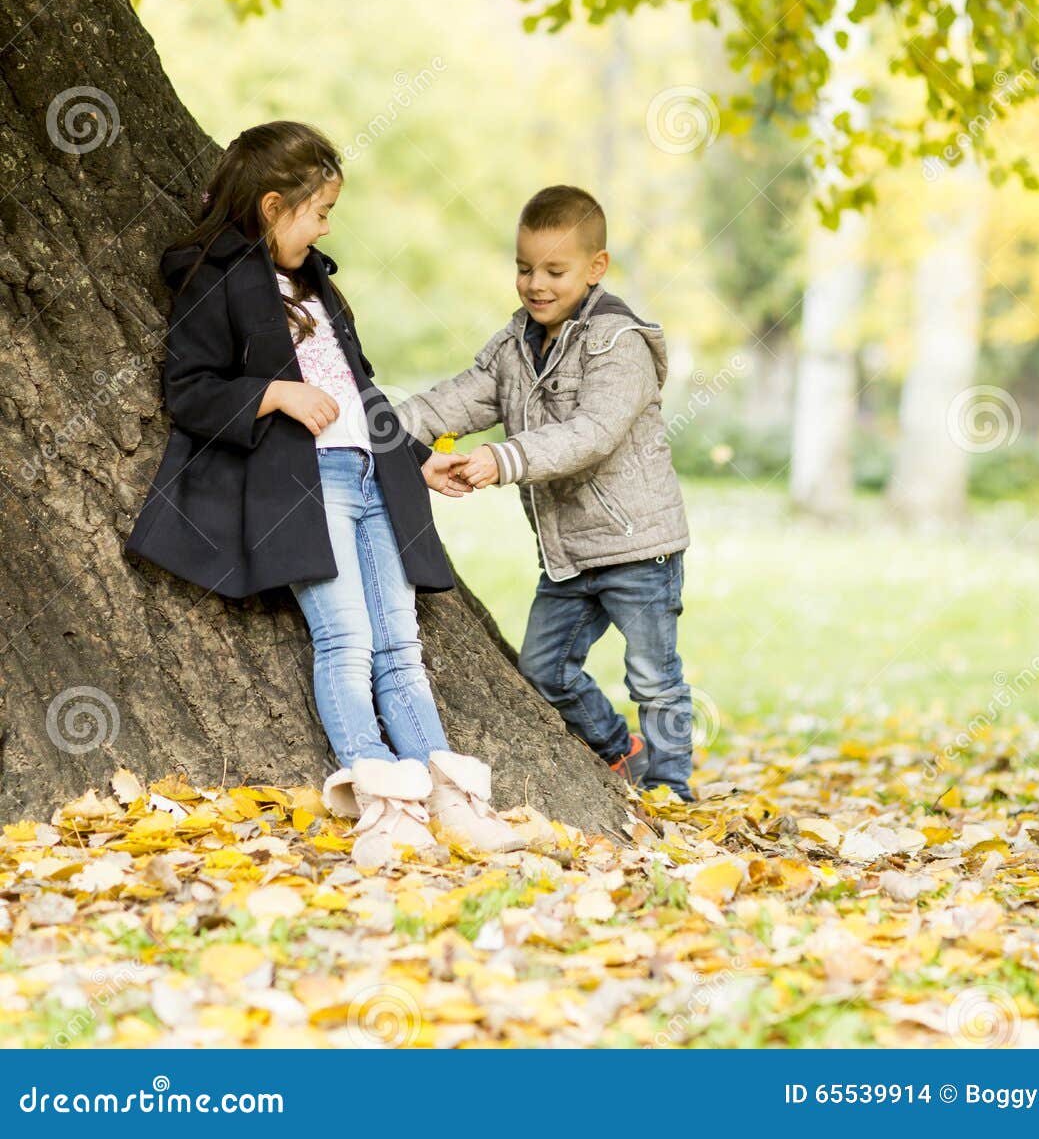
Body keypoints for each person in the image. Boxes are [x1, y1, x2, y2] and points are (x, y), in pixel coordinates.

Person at [124, 120, 526, 862]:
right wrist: (274, 393)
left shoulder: (317, 286)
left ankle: (452, 800)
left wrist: (413, 459)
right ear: (273, 206)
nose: (327, 227)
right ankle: (385, 805)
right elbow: (190, 390)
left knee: (400, 644)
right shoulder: (213, 278)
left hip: (374, 474)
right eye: (320, 212)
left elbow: (361, 391)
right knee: (346, 640)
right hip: (306, 485)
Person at [395, 184, 695, 801]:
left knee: (653, 678)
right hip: (567, 557)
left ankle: (672, 787)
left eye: (555, 271)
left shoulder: (618, 343)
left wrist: (503, 458)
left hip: (639, 547)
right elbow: (458, 399)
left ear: (595, 267)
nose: (536, 284)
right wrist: (380, 426)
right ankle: (620, 752)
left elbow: (594, 433)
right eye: (524, 268)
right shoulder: (515, 348)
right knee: (542, 669)